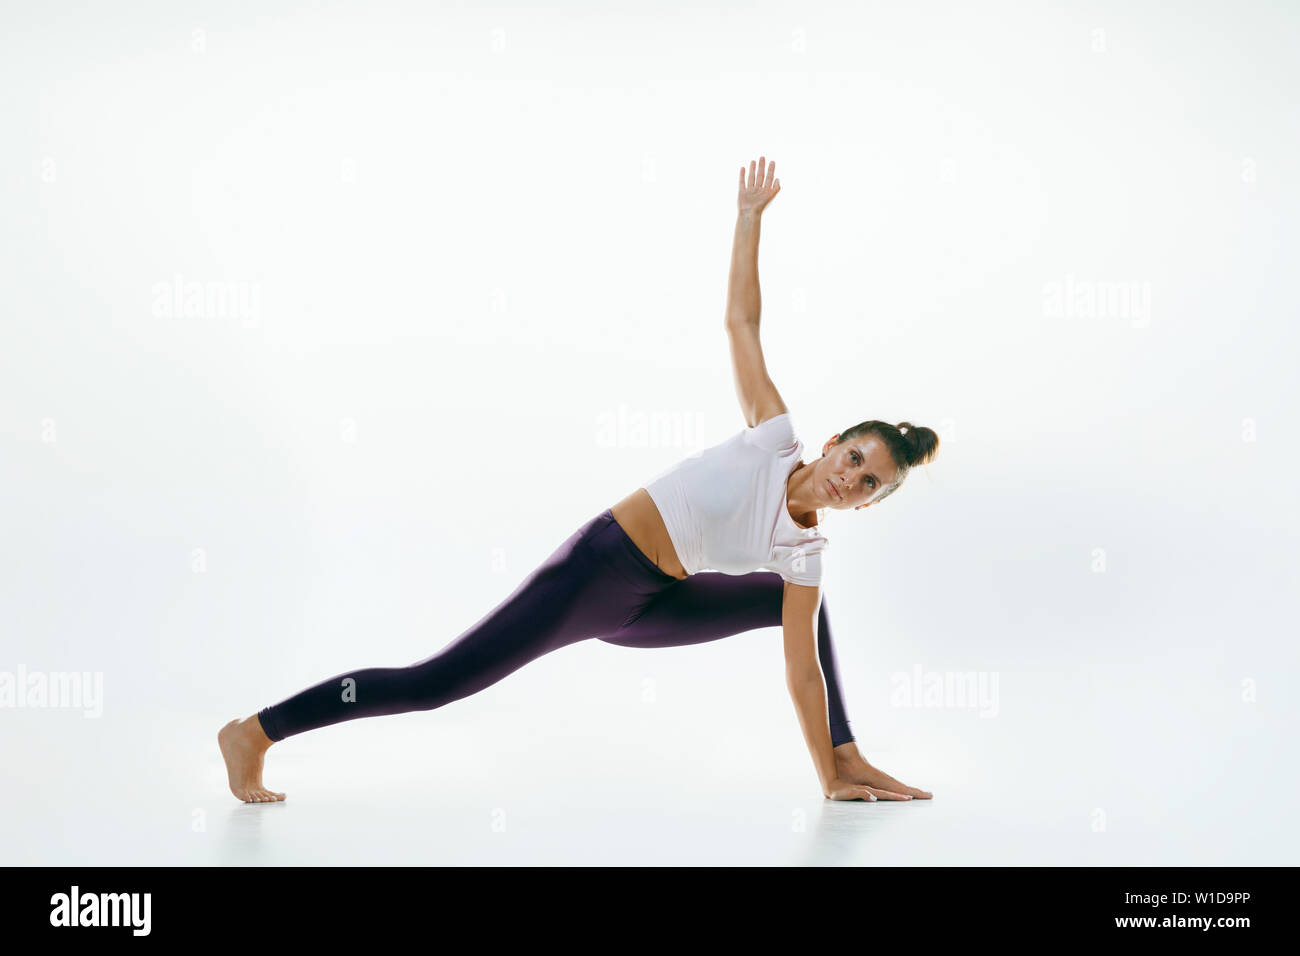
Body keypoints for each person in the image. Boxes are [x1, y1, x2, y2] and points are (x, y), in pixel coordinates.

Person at [219, 156, 938, 804]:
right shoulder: (773, 440)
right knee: (435, 683)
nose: (851, 479)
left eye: (869, 484)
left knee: (799, 607)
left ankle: (845, 760)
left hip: (653, 610)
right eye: (855, 459)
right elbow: (741, 324)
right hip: (597, 572)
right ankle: (255, 731)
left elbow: (803, 673)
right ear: (835, 444)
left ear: (869, 505)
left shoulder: (804, 556)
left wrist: (826, 774)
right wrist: (748, 219)